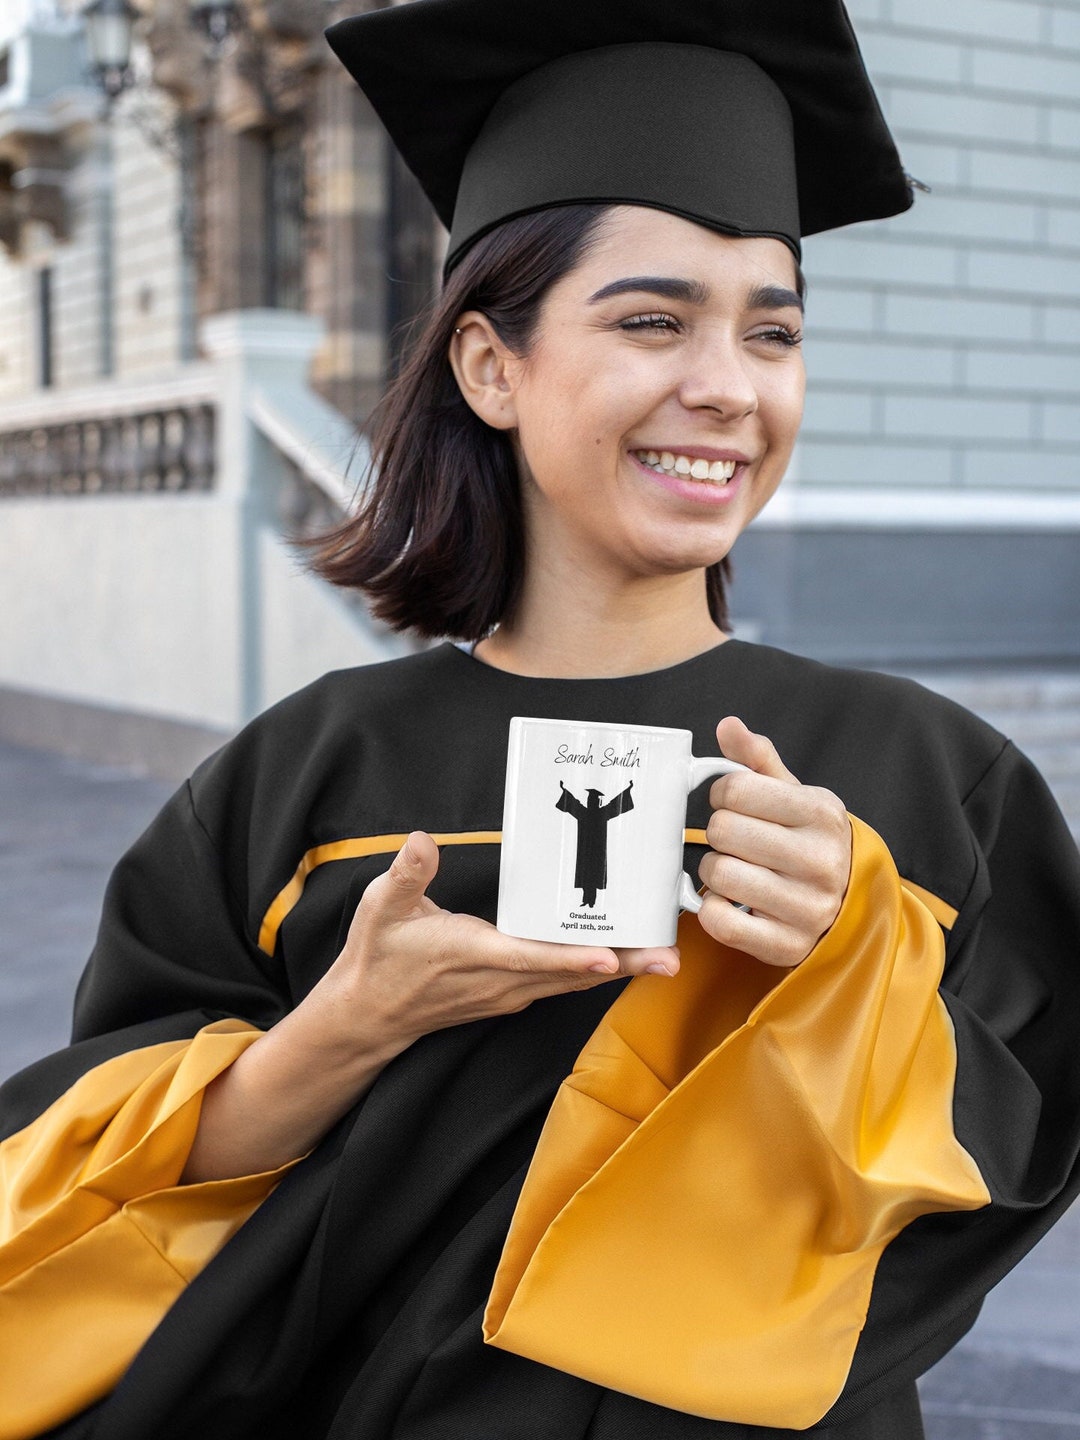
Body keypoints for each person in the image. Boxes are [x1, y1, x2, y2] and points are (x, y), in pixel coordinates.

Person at [2, 2, 1079, 1437]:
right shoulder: (305, 773)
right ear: (489, 366)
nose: (726, 386)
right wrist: (343, 1029)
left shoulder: (926, 780)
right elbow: (88, 1199)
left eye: (773, 331)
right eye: (651, 320)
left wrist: (855, 956)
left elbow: (1007, 1152)